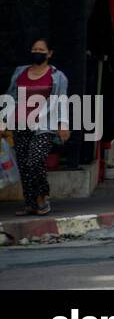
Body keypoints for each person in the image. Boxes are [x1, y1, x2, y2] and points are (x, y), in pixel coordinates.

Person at [2, 39, 71, 217]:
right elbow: (11, 97)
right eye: (34, 49)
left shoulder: (57, 76)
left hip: (44, 125)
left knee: (35, 161)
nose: (37, 52)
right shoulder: (20, 72)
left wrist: (63, 124)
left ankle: (42, 197)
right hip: (20, 123)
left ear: (49, 54)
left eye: (41, 50)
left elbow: (61, 101)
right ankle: (30, 203)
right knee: (24, 165)